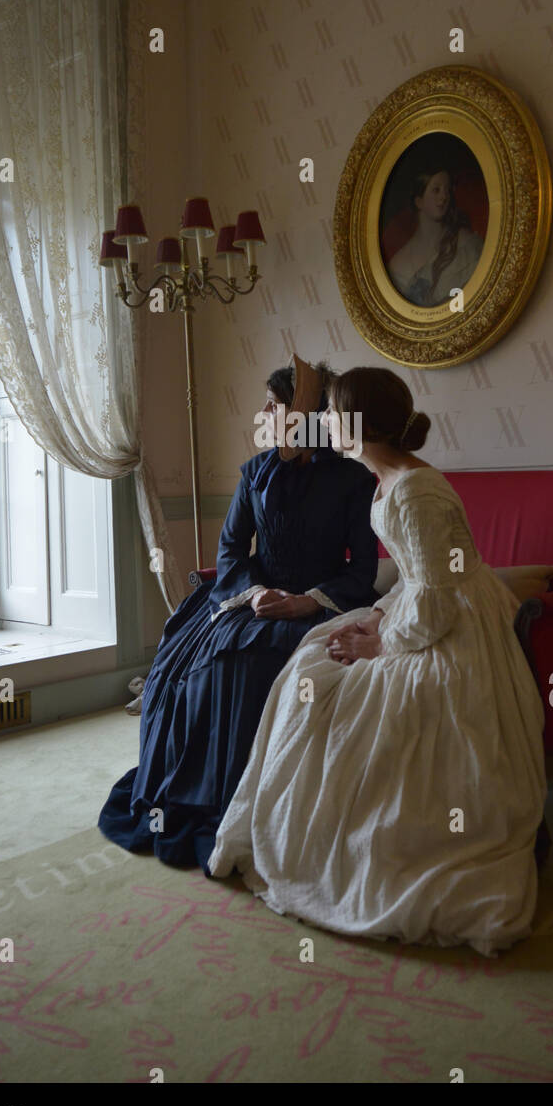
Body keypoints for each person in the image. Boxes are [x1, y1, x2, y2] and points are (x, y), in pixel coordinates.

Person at [208, 366, 547, 958]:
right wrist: (380, 616)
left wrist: (383, 642)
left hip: (451, 631)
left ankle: (343, 845)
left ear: (355, 421)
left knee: (334, 684)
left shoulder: (415, 490)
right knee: (314, 659)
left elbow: (441, 599)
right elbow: (421, 581)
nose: (325, 422)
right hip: (426, 609)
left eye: (333, 410)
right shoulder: (389, 479)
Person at [98, 356, 378, 872]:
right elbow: (230, 551)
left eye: (272, 404)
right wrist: (253, 594)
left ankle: (243, 805)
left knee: (248, 666)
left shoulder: (353, 481)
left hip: (314, 606)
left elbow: (362, 571)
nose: (263, 413)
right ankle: (191, 794)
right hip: (252, 598)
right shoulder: (255, 472)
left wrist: (307, 600)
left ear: (304, 413)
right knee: (186, 666)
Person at [385, 167, 483, 306]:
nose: (444, 196)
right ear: (419, 201)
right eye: (436, 190)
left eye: (447, 190)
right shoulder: (397, 265)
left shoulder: (467, 244)